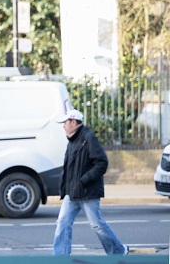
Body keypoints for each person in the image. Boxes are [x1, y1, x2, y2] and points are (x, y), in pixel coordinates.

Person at [52, 108, 128, 255]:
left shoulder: (88, 138)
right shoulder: (71, 141)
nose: (63, 126)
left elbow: (101, 163)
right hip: (72, 192)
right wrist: (65, 186)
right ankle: (60, 257)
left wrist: (83, 181)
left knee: (96, 224)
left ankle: (118, 251)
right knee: (62, 222)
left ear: (73, 122)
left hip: (88, 191)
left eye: (65, 122)